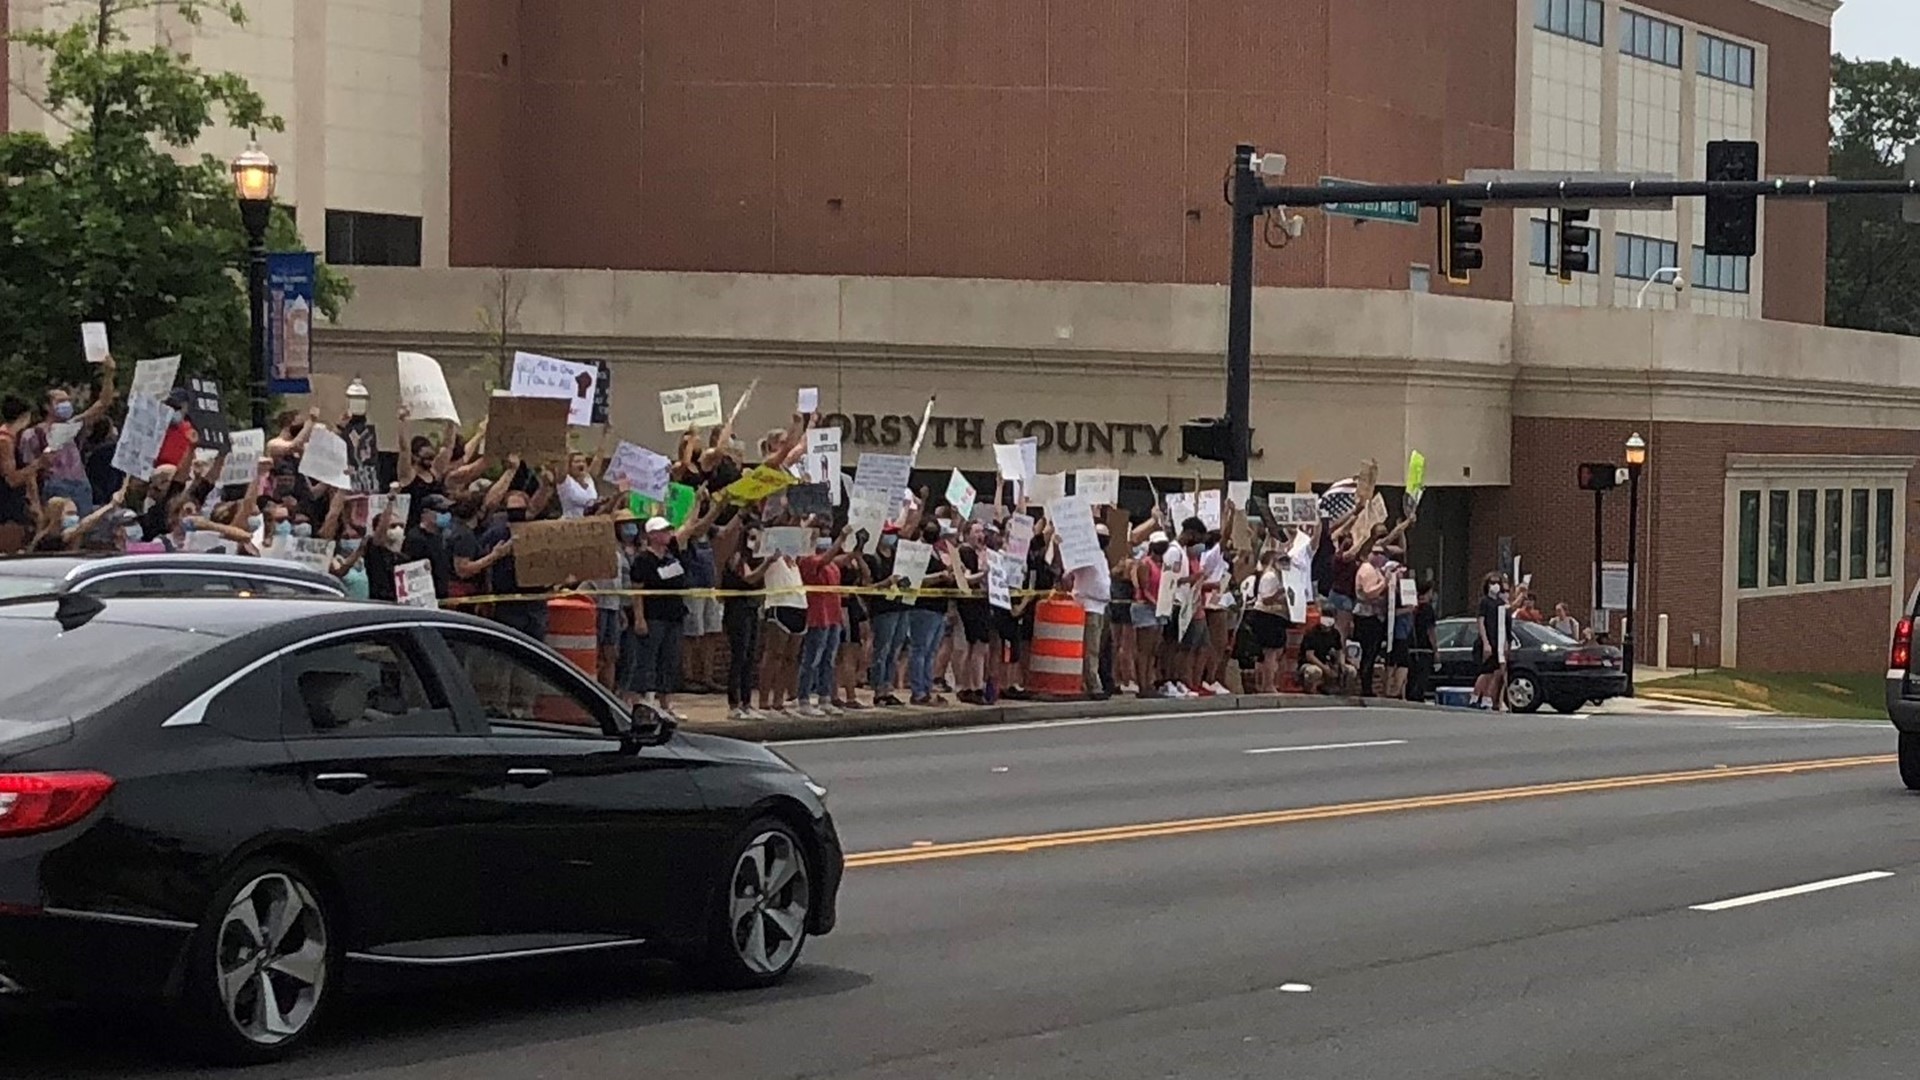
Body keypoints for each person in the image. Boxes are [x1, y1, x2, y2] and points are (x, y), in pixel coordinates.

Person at [625, 502, 719, 720]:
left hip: (674, 615)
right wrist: (639, 618)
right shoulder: (643, 560)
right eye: (664, 531)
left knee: (669, 659)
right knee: (648, 658)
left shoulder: (672, 553)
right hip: (654, 615)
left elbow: (688, 527)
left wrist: (697, 503)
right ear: (652, 535)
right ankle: (644, 700)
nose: (668, 533)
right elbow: (637, 591)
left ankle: (666, 702)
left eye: (668, 530)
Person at [21, 355, 117, 515]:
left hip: (80, 484)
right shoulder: (32, 434)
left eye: (68, 401)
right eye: (60, 401)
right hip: (54, 486)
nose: (66, 405)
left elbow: (103, 404)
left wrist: (109, 375)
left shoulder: (74, 425)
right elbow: (30, 473)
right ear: (47, 406)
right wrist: (35, 502)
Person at [719, 516, 771, 720]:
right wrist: (768, 563)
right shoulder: (737, 557)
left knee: (750, 657)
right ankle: (734, 703)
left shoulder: (757, 558)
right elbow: (749, 578)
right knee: (739, 656)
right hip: (737, 610)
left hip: (752, 608)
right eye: (752, 537)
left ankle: (747, 702)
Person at [865, 526, 911, 707]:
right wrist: (886, 583)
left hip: (900, 605)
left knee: (895, 650)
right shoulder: (873, 558)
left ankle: (888, 687)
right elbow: (867, 586)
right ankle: (878, 689)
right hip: (883, 608)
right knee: (882, 650)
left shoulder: (898, 557)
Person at [0, 396, 48, 551]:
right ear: (24, 416)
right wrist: (38, 463)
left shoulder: (15, 439)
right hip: (6, 504)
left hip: (17, 501)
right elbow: (12, 479)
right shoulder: (5, 441)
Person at [400, 494, 458, 602]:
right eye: (440, 512)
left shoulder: (442, 536)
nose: (444, 515)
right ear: (426, 513)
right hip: (424, 597)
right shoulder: (415, 538)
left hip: (441, 594)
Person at [1299, 615, 1353, 695]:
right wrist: (1325, 668)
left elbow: (1339, 651)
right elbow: (1310, 656)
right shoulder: (1312, 633)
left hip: (1330, 663)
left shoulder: (1335, 633)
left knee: (1351, 670)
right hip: (1311, 664)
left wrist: (1341, 664)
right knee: (1314, 671)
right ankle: (1311, 690)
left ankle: (1343, 691)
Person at [153, 387, 198, 470]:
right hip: (156, 472)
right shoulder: (158, 426)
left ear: (186, 408)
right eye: (170, 406)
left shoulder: (191, 431)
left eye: (177, 407)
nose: (172, 411)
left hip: (177, 475)